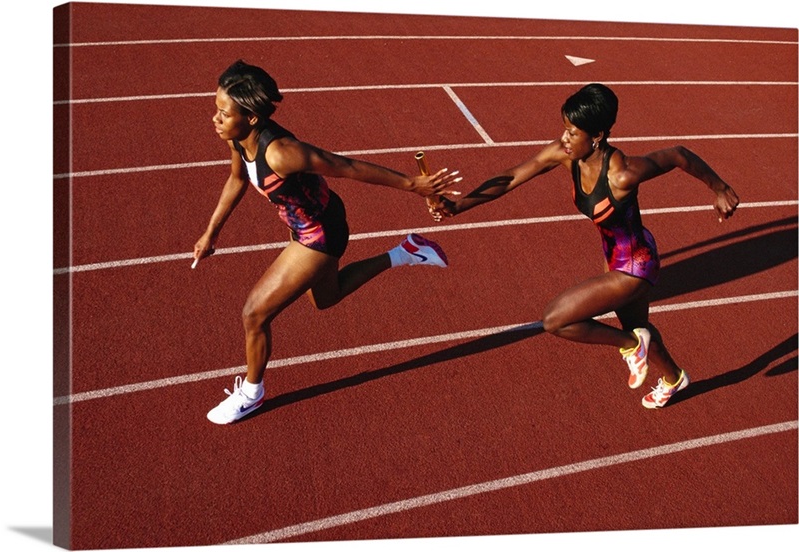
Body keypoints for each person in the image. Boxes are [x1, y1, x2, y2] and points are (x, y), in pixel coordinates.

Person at [430, 83, 739, 409]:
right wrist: (458, 206)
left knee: (556, 320)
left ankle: (631, 345)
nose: (564, 138)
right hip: (615, 257)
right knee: (639, 328)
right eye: (565, 128)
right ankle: (674, 378)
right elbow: (511, 177)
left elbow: (678, 154)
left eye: (572, 132)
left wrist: (720, 189)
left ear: (597, 135)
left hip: (636, 266)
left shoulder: (623, 175)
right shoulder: (567, 155)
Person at [196, 60, 460, 424]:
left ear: (252, 117)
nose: (215, 118)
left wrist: (413, 185)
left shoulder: (283, 153)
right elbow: (237, 178)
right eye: (217, 109)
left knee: (254, 313)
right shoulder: (238, 138)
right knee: (326, 298)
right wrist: (212, 232)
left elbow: (346, 166)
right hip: (305, 224)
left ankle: (251, 394)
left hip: (320, 233)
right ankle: (406, 252)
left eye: (224, 113)